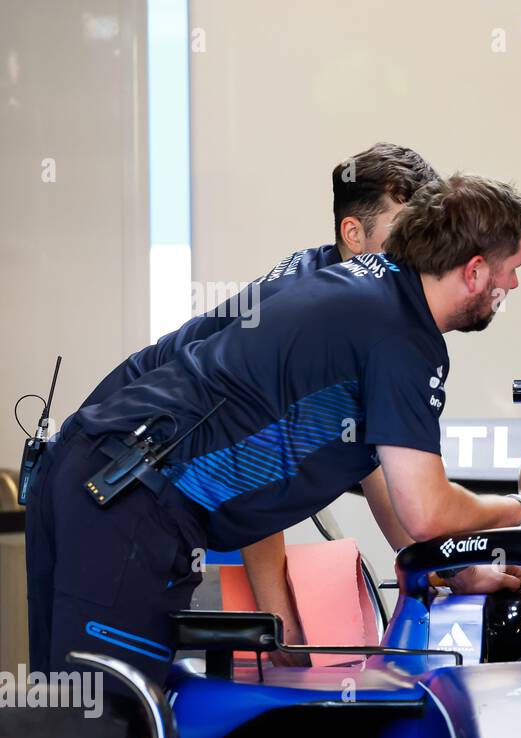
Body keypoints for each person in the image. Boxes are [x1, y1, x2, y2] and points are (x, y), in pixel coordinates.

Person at [26, 176, 521, 687]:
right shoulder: (402, 337)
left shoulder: (352, 284)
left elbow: (390, 483)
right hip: (129, 498)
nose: (516, 286)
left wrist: (457, 566)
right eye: (513, 270)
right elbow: (425, 507)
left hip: (93, 472)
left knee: (69, 720)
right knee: (106, 731)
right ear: (475, 271)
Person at [72, 143, 440, 665]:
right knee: (104, 696)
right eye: (407, 233)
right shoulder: (317, 317)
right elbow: (252, 465)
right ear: (353, 235)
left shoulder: (355, 298)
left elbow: (384, 458)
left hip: (143, 474)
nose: (423, 251)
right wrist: (280, 621)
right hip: (113, 472)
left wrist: (431, 564)